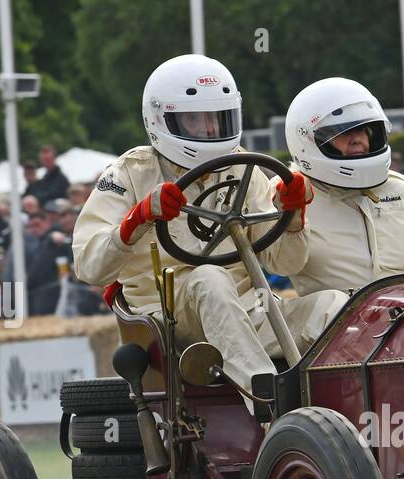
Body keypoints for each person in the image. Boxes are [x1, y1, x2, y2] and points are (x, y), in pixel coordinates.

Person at [74, 54, 332, 398]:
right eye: (196, 120)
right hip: (170, 328)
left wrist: (294, 216)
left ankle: (346, 406)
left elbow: (285, 264)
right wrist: (136, 221)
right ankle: (270, 404)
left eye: (217, 119)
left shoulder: (243, 168)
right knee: (209, 278)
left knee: (334, 306)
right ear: (161, 119)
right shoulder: (129, 173)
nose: (210, 130)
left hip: (248, 312)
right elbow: (88, 266)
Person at [280, 77, 404, 297]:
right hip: (333, 325)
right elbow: (281, 265)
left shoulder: (403, 191)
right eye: (341, 133)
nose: (357, 140)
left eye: (363, 130)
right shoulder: (286, 193)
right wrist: (292, 221)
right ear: (307, 142)